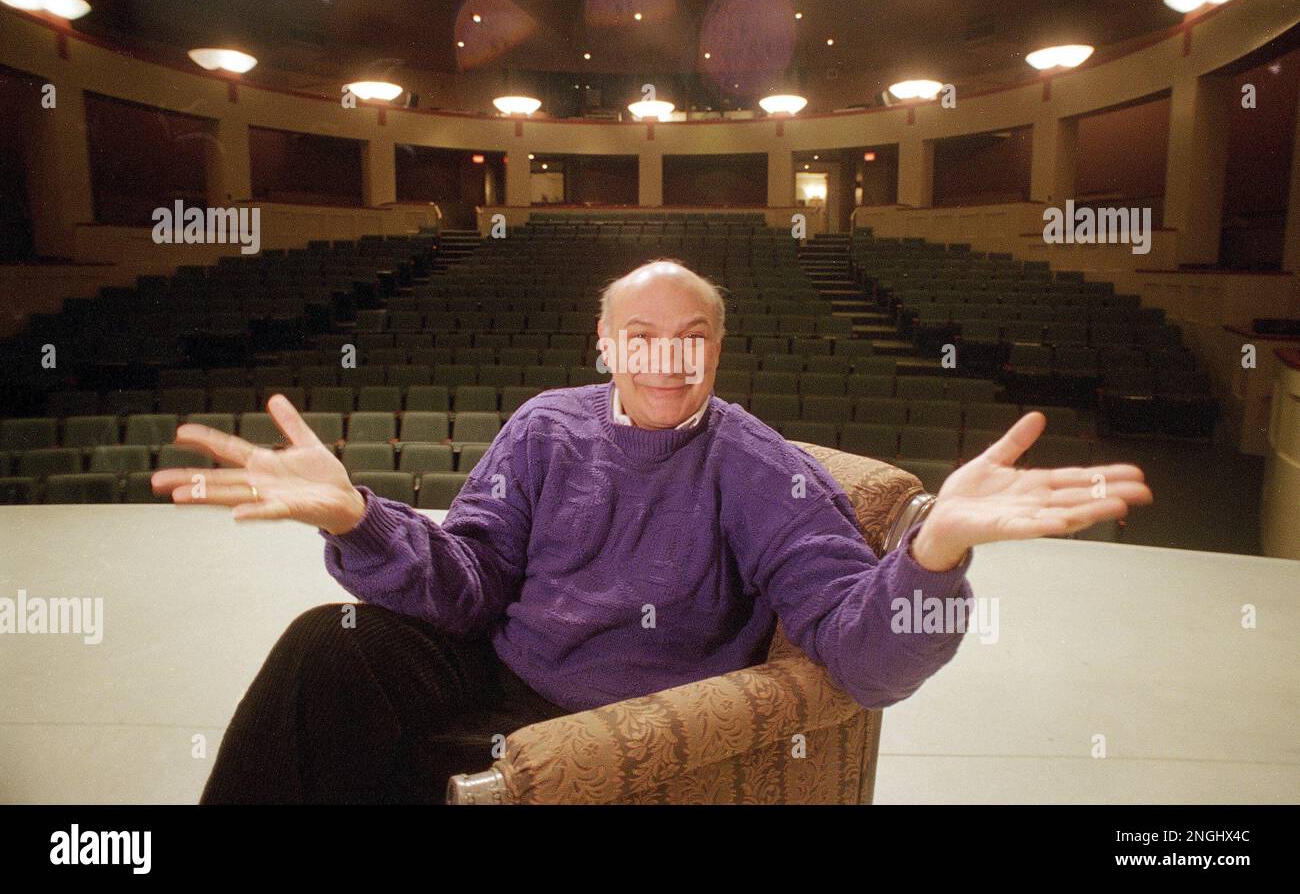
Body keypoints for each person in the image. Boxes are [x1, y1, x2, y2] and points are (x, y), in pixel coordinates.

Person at [153, 259, 1153, 803]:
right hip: (497, 664)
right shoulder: (545, 424)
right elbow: (469, 578)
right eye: (641, 334)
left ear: (718, 346)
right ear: (603, 342)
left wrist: (933, 553)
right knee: (326, 649)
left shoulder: (761, 466)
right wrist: (360, 517)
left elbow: (859, 653)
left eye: (692, 336)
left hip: (602, 720)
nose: (667, 358)